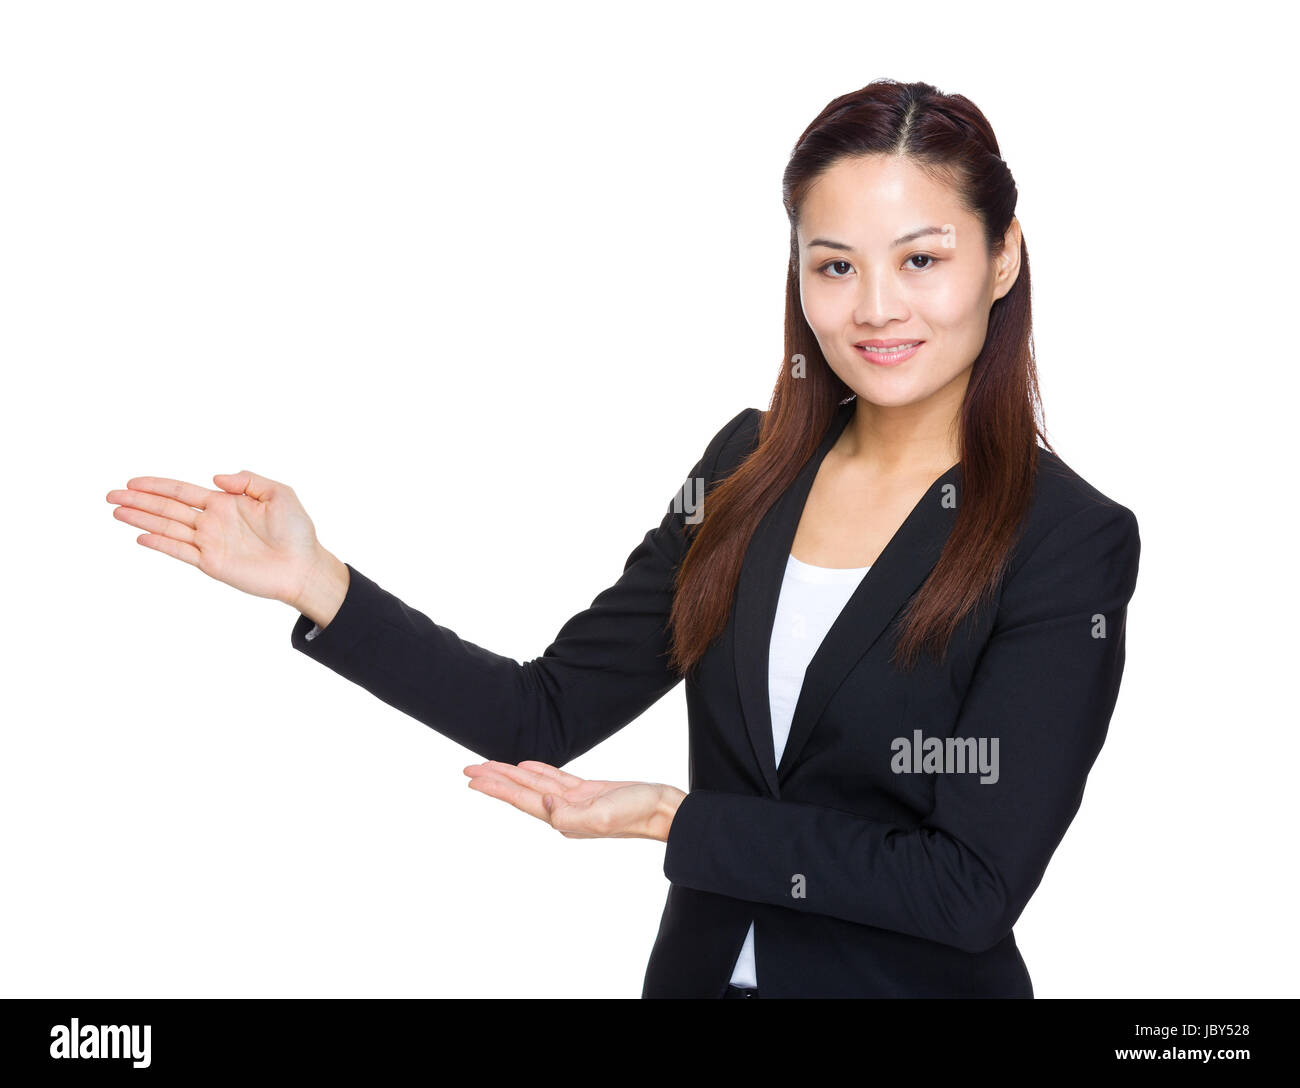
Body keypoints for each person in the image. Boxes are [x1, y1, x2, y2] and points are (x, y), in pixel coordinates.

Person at [106, 78, 1140, 998]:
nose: (874, 308)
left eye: (921, 258)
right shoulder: (745, 465)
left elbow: (966, 885)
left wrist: (673, 820)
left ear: (1001, 256)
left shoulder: (1064, 540)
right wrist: (319, 581)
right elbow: (543, 707)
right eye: (833, 266)